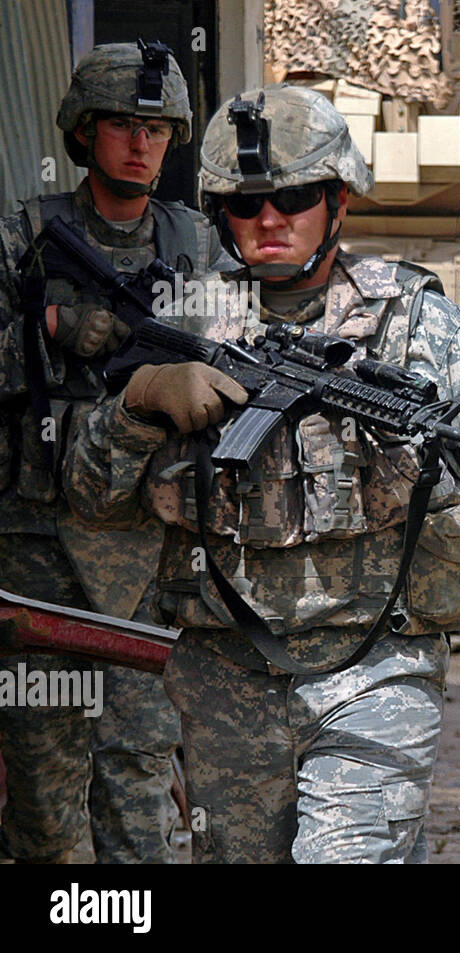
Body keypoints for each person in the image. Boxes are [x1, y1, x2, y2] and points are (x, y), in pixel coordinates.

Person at [64, 84, 460, 864]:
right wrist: (139, 402)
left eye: (295, 198)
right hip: (225, 676)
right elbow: (89, 498)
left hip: (376, 666)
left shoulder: (414, 326)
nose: (270, 220)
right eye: (246, 204)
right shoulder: (183, 321)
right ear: (220, 214)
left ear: (338, 201)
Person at [0, 41, 231, 864]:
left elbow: (239, 352)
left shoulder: (196, 243)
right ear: (83, 131)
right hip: (38, 550)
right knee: (43, 788)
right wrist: (49, 330)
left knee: (138, 768)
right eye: (123, 126)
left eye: (157, 130)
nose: (141, 144)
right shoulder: (25, 234)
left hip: (149, 552)